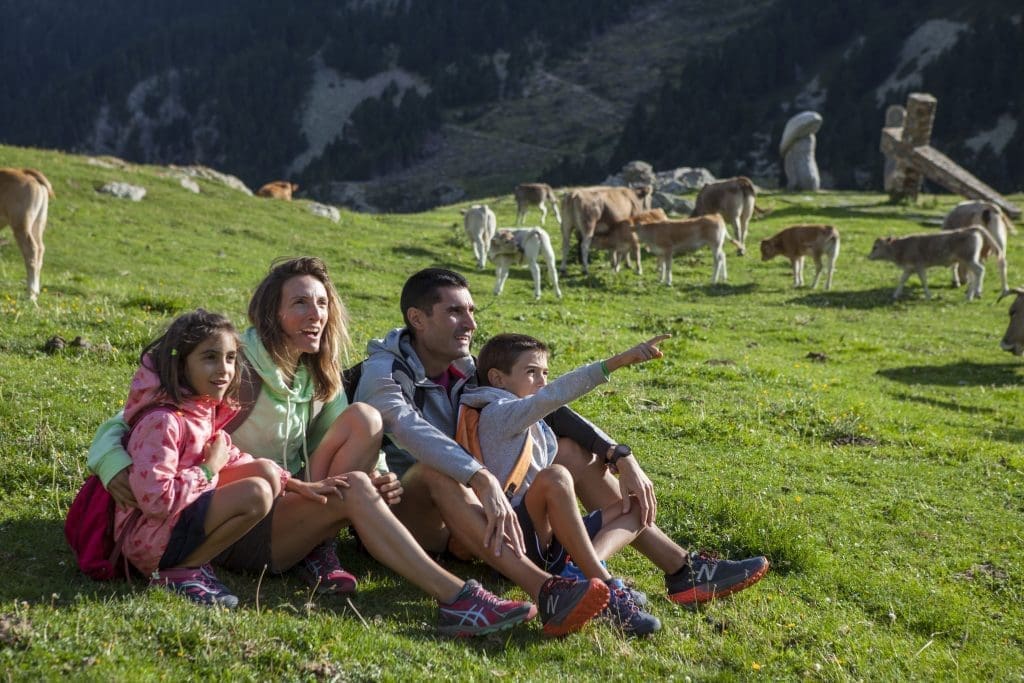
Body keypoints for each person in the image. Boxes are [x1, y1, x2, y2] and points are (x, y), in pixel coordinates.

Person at [88, 257, 535, 637]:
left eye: (322, 304)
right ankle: (457, 598)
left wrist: (380, 473)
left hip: (279, 497)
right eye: (300, 303)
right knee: (349, 485)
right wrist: (112, 463)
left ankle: (327, 550)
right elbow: (138, 418)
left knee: (365, 421)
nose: (315, 314)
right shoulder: (233, 365)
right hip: (223, 516)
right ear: (273, 313)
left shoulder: (314, 373)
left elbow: (342, 433)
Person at [354, 267, 769, 612]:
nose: (471, 324)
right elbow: (408, 428)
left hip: (482, 506)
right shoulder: (384, 373)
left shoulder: (464, 367)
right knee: (435, 471)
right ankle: (549, 587)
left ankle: (680, 569)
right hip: (417, 516)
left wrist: (617, 452)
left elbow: (539, 405)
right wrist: (478, 476)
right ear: (417, 318)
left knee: (569, 450)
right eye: (455, 312)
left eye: (472, 311)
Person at [117, 308, 338, 607]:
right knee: (256, 493)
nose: (224, 369)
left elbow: (231, 456)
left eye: (231, 358)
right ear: (181, 363)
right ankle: (181, 572)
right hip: (147, 541)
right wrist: (209, 469)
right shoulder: (164, 421)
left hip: (173, 525)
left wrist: (292, 483)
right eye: (210, 357)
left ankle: (193, 565)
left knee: (266, 475)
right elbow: (157, 502)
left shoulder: (200, 409)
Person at [464, 332, 675, 636]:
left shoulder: (528, 416)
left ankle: (581, 573)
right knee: (556, 476)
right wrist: (617, 362)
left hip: (551, 537)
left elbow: (557, 409)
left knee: (637, 507)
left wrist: (618, 456)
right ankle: (608, 591)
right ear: (498, 378)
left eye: (545, 372)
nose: (542, 380)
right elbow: (553, 396)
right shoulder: (497, 412)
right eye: (531, 372)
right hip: (517, 537)